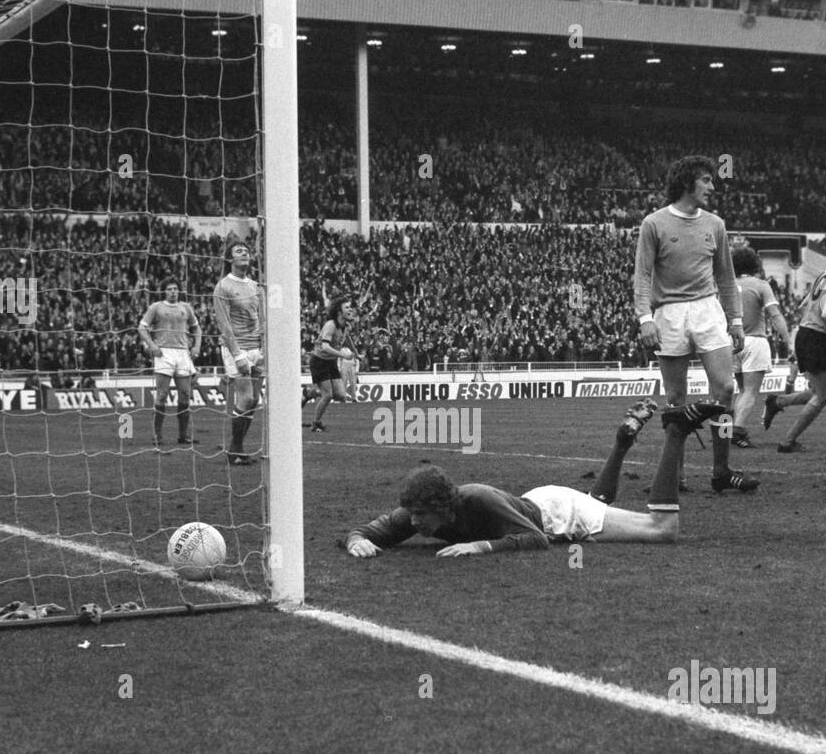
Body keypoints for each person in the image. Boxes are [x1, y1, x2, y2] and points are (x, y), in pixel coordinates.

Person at [343, 399, 727, 558]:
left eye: (419, 517)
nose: (412, 523)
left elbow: (537, 538)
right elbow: (367, 529)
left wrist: (478, 548)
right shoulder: (418, 510)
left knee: (662, 530)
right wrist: (358, 541)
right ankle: (622, 441)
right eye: (411, 516)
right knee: (601, 503)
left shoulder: (477, 497)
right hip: (538, 501)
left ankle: (675, 430)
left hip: (559, 513)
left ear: (443, 506)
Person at [634, 155, 759, 494]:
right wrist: (645, 318)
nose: (712, 186)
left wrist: (735, 320)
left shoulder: (715, 224)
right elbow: (643, 274)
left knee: (726, 389)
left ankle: (721, 471)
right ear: (688, 182)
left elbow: (726, 276)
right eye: (706, 180)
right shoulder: (654, 223)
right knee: (676, 397)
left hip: (707, 310)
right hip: (669, 313)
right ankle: (676, 476)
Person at [762, 237, 826, 452]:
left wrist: (806, 330)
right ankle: (788, 442)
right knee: (822, 396)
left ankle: (777, 402)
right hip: (815, 337)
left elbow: (803, 304)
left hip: (806, 333)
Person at [730, 246, 789, 449]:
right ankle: (737, 431)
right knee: (750, 392)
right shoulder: (761, 285)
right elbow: (775, 315)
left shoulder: (726, 285)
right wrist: (788, 341)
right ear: (755, 265)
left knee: (742, 390)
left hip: (731, 342)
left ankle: (729, 432)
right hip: (754, 340)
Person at [212, 241, 266, 464]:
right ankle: (235, 449)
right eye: (238, 251)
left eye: (246, 250)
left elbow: (263, 319)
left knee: (253, 402)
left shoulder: (256, 286)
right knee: (247, 398)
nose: (244, 253)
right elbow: (224, 324)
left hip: (257, 349)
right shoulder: (223, 287)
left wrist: (264, 347)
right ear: (230, 259)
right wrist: (238, 355)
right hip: (238, 349)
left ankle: (237, 450)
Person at [138, 277, 202, 448]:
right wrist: (152, 346)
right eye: (169, 289)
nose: (173, 291)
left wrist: (196, 346)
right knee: (162, 394)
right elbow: (141, 327)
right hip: (164, 353)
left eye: (175, 288)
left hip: (183, 353)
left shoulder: (186, 308)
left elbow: (197, 328)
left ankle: (183, 436)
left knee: (185, 395)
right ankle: (157, 436)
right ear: (164, 291)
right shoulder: (156, 307)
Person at [308, 295, 357, 432]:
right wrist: (343, 355)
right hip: (319, 361)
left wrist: (357, 354)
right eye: (347, 307)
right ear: (339, 312)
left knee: (341, 395)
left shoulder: (346, 326)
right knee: (328, 395)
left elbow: (348, 340)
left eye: (350, 307)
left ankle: (310, 392)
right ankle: (316, 422)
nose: (350, 309)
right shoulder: (330, 325)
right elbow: (325, 347)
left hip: (331, 362)